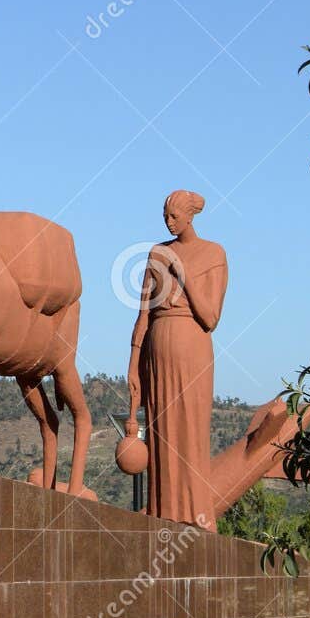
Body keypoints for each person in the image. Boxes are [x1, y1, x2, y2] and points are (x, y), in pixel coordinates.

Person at [125, 190, 229, 528]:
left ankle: (197, 514)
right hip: (157, 349)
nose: (169, 223)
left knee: (191, 430)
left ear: (190, 217)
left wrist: (182, 271)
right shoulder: (157, 255)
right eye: (165, 216)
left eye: (174, 217)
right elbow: (142, 317)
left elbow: (210, 317)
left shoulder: (213, 253)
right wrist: (133, 364)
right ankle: (163, 513)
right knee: (161, 432)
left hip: (192, 348)